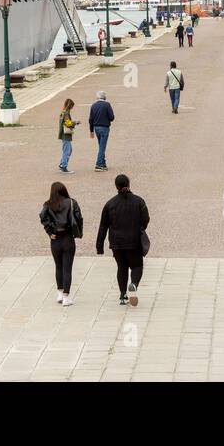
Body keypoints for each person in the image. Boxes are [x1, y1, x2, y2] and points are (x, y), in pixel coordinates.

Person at [96, 174, 150, 307]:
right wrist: (140, 227)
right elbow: (146, 219)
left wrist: (99, 246)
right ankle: (133, 285)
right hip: (134, 241)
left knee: (122, 267)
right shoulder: (139, 201)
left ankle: (122, 295)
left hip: (117, 243)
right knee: (137, 266)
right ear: (129, 184)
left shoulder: (110, 204)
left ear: (116, 186)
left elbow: (103, 225)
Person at [39, 181, 84, 306]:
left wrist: (49, 231)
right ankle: (66, 296)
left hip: (55, 239)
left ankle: (59, 293)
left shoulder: (48, 204)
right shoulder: (71, 202)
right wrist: (78, 231)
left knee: (58, 266)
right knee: (67, 268)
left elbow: (43, 217)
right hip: (68, 237)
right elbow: (79, 218)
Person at [88, 90, 115, 172]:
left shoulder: (93, 106)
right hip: (104, 127)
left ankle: (103, 163)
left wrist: (91, 131)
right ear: (104, 97)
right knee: (102, 147)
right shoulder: (107, 105)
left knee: (101, 146)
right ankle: (99, 164)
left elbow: (90, 119)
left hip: (96, 128)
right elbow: (111, 117)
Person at [57, 98, 78, 173]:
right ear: (70, 106)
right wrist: (75, 123)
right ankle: (63, 166)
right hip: (65, 135)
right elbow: (68, 123)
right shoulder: (66, 113)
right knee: (67, 150)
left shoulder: (63, 112)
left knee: (68, 150)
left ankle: (62, 164)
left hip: (63, 134)